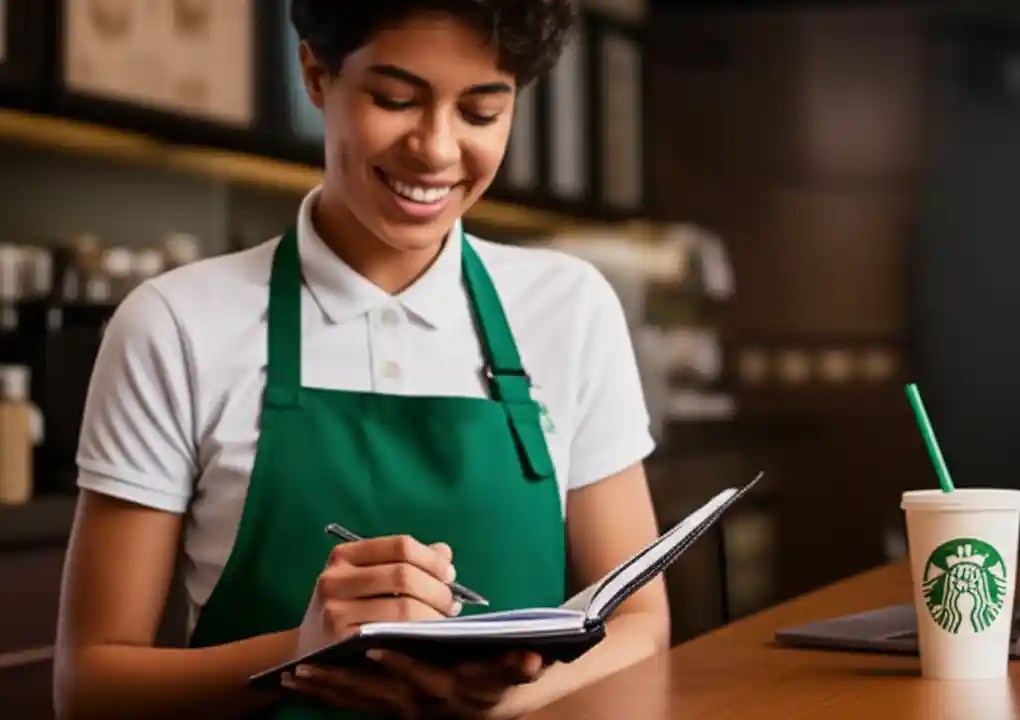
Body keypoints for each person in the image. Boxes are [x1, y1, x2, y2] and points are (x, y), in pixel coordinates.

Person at [52, 2, 669, 718]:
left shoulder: (570, 308)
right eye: (396, 100)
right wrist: (301, 650)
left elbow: (639, 624)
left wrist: (498, 704)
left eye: (480, 112)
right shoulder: (174, 325)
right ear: (317, 73)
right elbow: (90, 688)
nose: (436, 150)